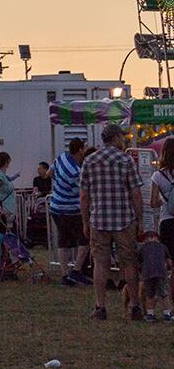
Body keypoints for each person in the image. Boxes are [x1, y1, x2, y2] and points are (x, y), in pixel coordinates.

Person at [82, 123, 145, 320]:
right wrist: (140, 218)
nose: (124, 139)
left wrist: (85, 221)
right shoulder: (125, 159)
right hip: (124, 220)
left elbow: (84, 196)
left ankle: (100, 307)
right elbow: (135, 192)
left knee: (100, 264)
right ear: (116, 137)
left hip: (99, 219)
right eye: (123, 136)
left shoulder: (90, 160)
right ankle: (134, 306)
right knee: (129, 263)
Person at [50, 138, 91, 286]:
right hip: (70, 209)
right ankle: (77, 270)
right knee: (85, 238)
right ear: (80, 150)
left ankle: (64, 274)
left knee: (63, 241)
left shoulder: (61, 158)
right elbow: (81, 193)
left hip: (55, 206)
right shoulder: (76, 172)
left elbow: (49, 172)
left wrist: (59, 185)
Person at [147, 142, 174, 255]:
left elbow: (153, 203)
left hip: (166, 221)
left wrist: (165, 200)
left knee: (169, 256)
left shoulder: (157, 176)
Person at [140, 231, 170, 322]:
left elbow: (138, 260)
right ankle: (167, 314)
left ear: (145, 240)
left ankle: (150, 314)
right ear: (157, 238)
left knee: (149, 295)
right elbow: (169, 261)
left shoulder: (143, 248)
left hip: (147, 273)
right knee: (164, 294)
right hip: (161, 273)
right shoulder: (163, 247)